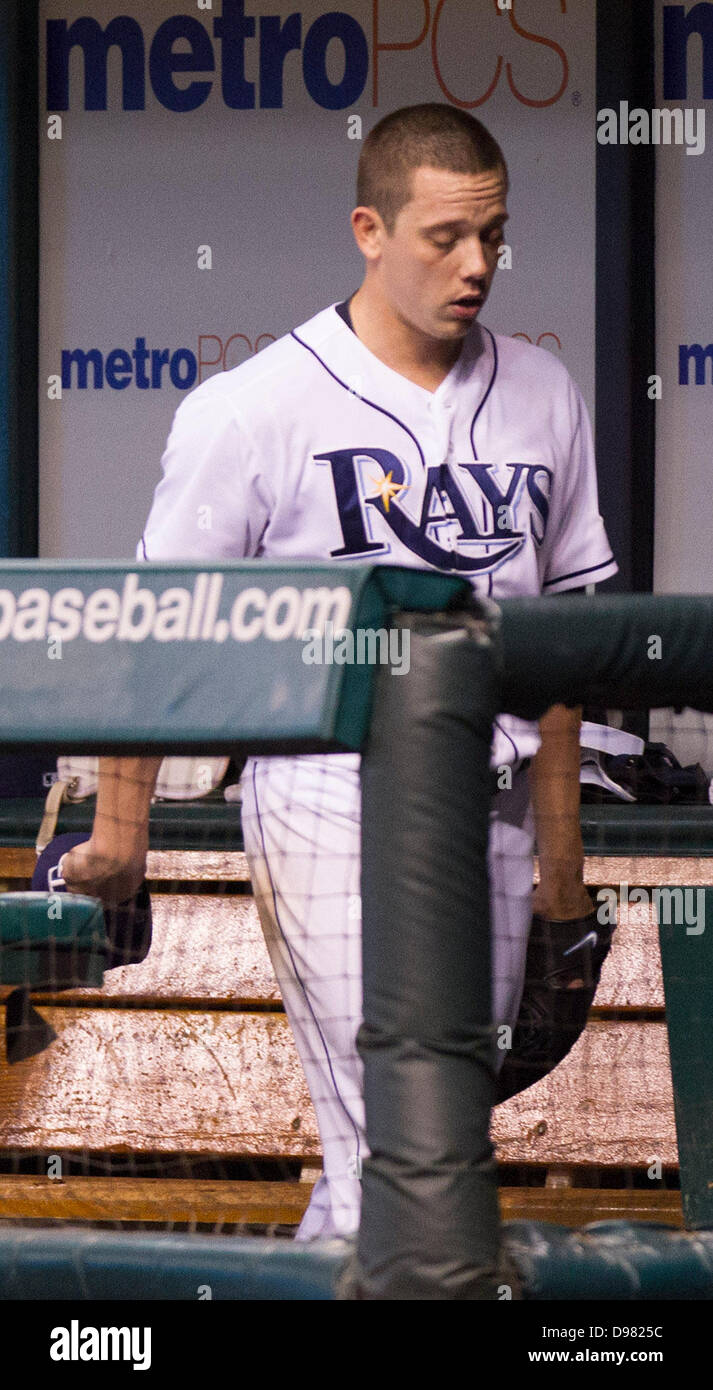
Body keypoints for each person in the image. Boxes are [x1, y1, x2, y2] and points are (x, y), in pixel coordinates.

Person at [61, 104, 617, 1240]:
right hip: (330, 795)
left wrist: (563, 861)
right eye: (443, 238)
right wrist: (124, 834)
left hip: (500, 796)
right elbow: (157, 625)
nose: (475, 266)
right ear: (368, 229)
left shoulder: (542, 394)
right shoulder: (255, 406)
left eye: (493, 238)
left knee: (432, 1140)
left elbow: (562, 649)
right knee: (390, 1139)